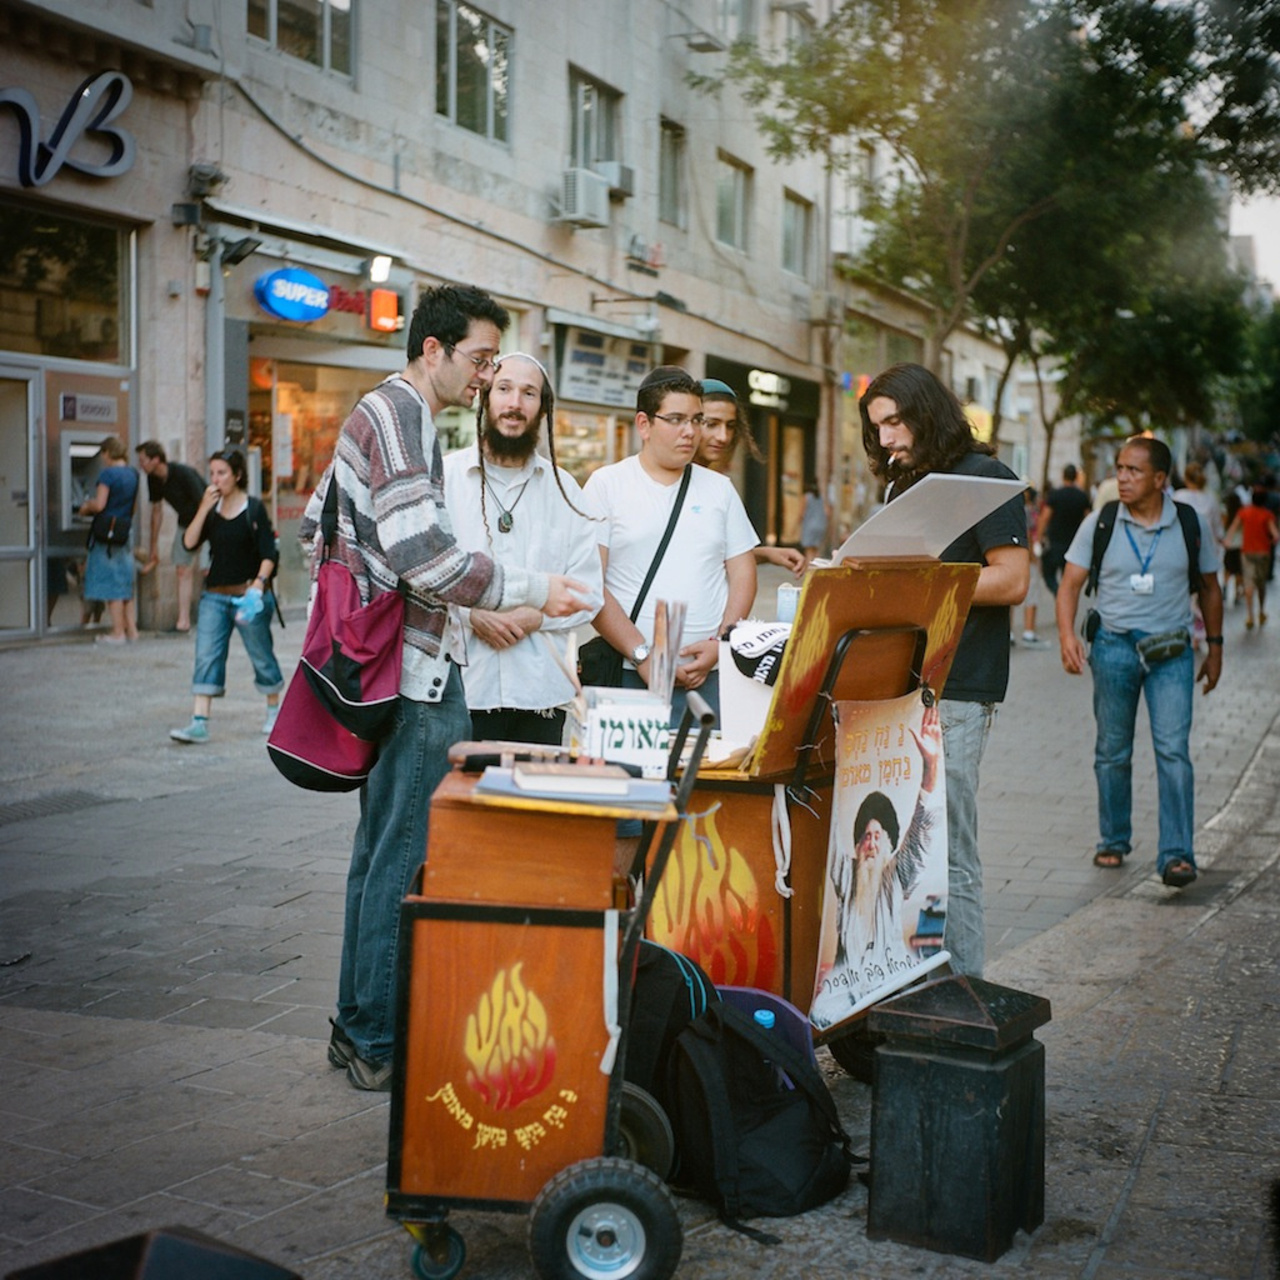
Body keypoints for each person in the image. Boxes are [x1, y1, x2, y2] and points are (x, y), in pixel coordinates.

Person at [304, 285, 589, 1091]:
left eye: (497, 363)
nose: (485, 375)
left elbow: (322, 529)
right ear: (433, 350)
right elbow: (422, 554)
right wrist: (528, 586)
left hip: (394, 661)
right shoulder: (401, 417)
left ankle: (355, 1024)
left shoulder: (388, 414)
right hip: (417, 668)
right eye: (478, 359)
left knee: (378, 849)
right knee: (405, 858)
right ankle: (378, 1040)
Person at [860, 363, 1030, 977]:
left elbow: (1013, 579)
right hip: (900, 687)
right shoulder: (903, 486)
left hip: (958, 689)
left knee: (950, 848)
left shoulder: (985, 477)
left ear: (926, 411)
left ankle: (969, 994)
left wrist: (921, 587)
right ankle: (925, 980)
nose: (885, 440)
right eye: (876, 428)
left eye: (895, 422)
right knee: (912, 848)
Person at [1054, 435, 1223, 889]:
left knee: (1173, 751)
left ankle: (1177, 855)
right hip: (1113, 647)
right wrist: (1068, 634)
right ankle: (1113, 838)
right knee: (1112, 751)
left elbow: (1209, 587)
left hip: (1172, 652)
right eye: (1120, 468)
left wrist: (1217, 648)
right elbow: (1070, 583)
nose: (1122, 478)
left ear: (1160, 479)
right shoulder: (1102, 521)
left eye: (1133, 470)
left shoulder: (1188, 523)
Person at [584, 365, 758, 725]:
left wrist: (720, 644)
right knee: (632, 779)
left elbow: (743, 574)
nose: (690, 432)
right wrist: (643, 656)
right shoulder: (607, 485)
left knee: (707, 776)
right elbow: (590, 585)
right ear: (644, 425)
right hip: (632, 676)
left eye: (696, 420)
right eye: (677, 419)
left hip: (708, 677)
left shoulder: (719, 489)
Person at [443, 352, 602, 744]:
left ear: (543, 409)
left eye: (529, 393)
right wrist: (469, 615)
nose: (514, 404)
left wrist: (536, 616)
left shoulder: (565, 491)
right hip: (458, 691)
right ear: (484, 397)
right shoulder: (444, 477)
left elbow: (589, 592)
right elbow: (415, 574)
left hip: (540, 696)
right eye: (504, 389)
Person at [169, 450, 283, 744]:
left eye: (222, 473)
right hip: (215, 597)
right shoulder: (211, 510)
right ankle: (199, 722)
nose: (216, 479)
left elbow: (269, 554)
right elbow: (189, 543)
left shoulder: (254, 509)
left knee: (261, 654)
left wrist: (259, 584)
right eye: (212, 473)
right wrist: (203, 509)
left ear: (237, 475)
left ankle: (273, 712)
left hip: (248, 596)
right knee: (206, 654)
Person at [832, 702, 941, 973]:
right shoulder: (847, 876)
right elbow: (831, 838)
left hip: (887, 976)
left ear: (889, 845)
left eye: (878, 837)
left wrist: (930, 770)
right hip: (844, 986)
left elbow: (919, 837)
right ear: (857, 846)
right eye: (866, 837)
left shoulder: (895, 878)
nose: (871, 845)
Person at [696, 378, 806, 576]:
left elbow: (716, 556)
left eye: (730, 426)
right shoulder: (666, 480)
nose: (723, 436)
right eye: (711, 424)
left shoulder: (720, 487)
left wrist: (766, 554)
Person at [136, 441, 209, 632]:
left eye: (143, 460)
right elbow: (156, 511)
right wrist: (153, 546)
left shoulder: (183, 473)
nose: (140, 465)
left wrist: (199, 535)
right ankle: (182, 622)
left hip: (209, 521)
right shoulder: (153, 479)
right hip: (185, 523)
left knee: (210, 570)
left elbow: (205, 502)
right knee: (182, 569)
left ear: (156, 459)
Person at [77, 435, 140, 645]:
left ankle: (117, 633)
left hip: (106, 535)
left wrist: (86, 506)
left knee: (112, 583)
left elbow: (100, 505)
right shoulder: (133, 473)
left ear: (107, 453)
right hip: (123, 531)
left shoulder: (107, 474)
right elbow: (133, 508)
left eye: (102, 454)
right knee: (124, 581)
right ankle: (132, 631)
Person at [1223, 487, 1279, 630]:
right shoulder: (1267, 514)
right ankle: (1261, 611)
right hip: (1263, 553)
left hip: (1247, 552)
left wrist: (1227, 541)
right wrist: (1272, 541)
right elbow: (1275, 534)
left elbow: (1233, 527)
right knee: (1261, 583)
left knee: (1248, 582)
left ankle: (1250, 616)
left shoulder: (1244, 512)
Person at [1035, 464, 1091, 595]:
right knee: (1068, 578)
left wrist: (1039, 537)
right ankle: (1063, 597)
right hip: (1074, 543)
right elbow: (1088, 519)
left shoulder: (1055, 495)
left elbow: (1045, 517)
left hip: (1055, 542)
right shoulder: (1082, 496)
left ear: (1063, 476)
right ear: (1076, 476)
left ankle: (1058, 593)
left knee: (1049, 576)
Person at [800, 480, 830, 564]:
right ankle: (817, 571)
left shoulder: (806, 497)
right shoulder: (821, 498)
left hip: (809, 527)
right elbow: (827, 513)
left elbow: (801, 513)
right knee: (816, 551)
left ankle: (810, 572)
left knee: (809, 551)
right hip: (821, 526)